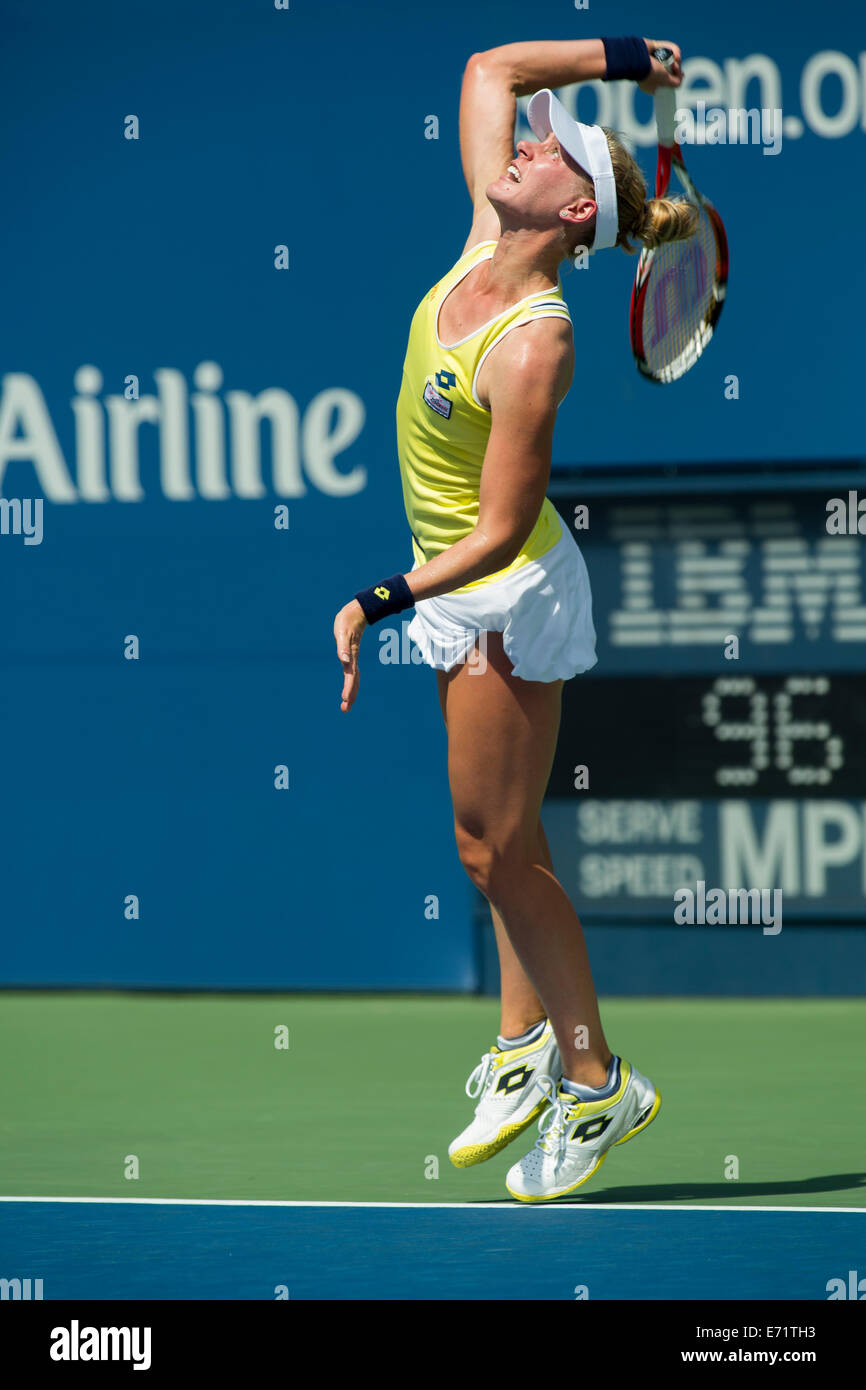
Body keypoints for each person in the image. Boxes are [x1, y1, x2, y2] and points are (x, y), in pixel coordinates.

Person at [333, 35, 697, 1201]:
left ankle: (593, 1083)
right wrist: (627, 55)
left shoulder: (537, 340)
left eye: (548, 150)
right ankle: (525, 1042)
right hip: (459, 580)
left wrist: (375, 600)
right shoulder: (485, 236)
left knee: (487, 848)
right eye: (528, 141)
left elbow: (493, 533)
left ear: (573, 203)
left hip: (499, 590)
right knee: (506, 840)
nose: (524, 140)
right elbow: (495, 69)